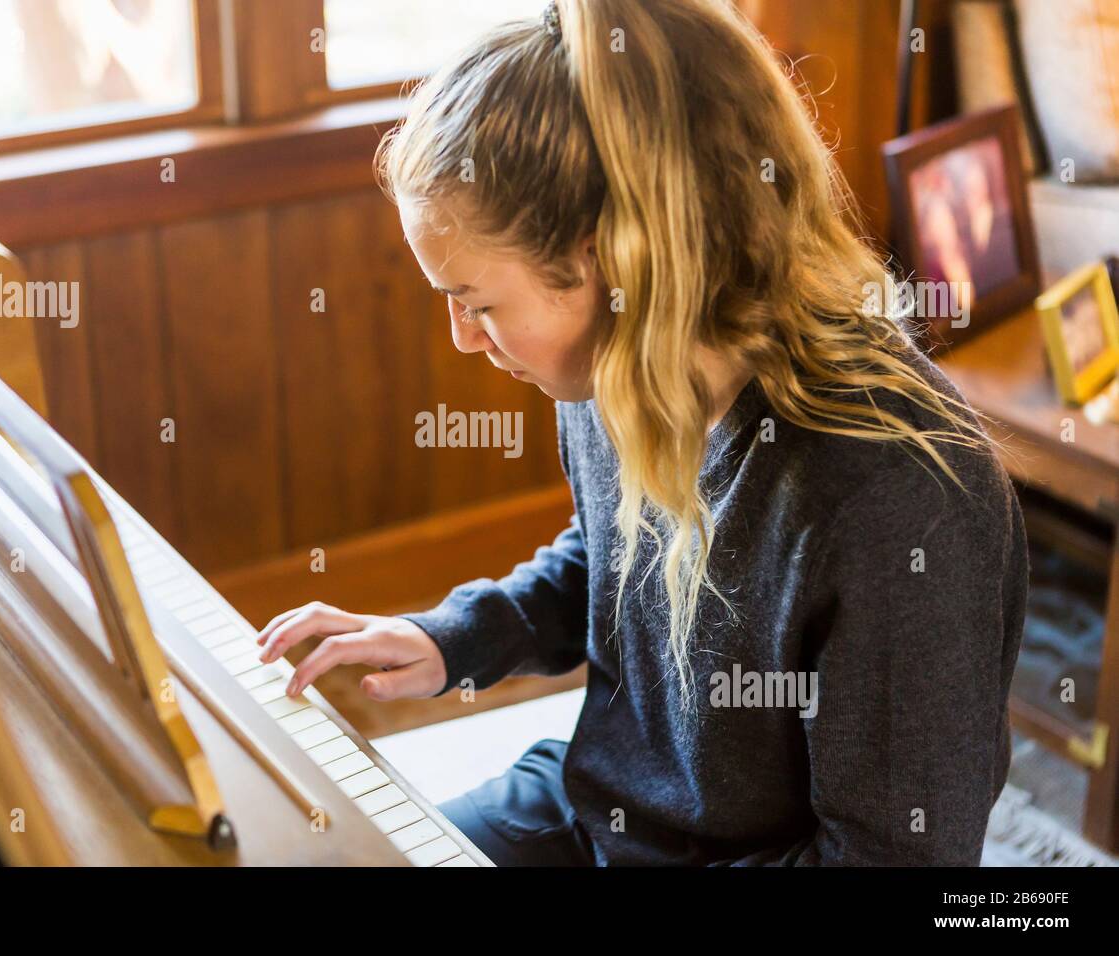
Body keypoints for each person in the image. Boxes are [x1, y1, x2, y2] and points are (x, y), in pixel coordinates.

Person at [255, 0, 1029, 866]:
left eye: (475, 304)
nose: (462, 339)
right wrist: (458, 636)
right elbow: (614, 563)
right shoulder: (618, 363)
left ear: (614, 260)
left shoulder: (899, 496)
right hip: (599, 812)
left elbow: (891, 860)